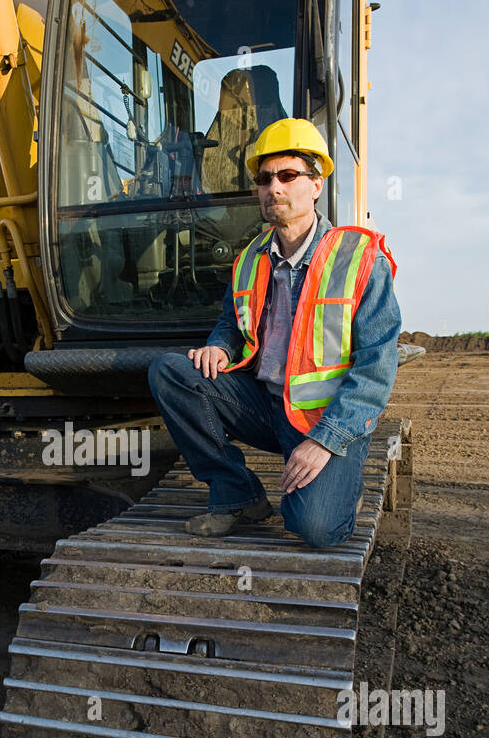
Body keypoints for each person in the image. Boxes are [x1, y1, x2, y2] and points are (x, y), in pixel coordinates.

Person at [147, 118, 402, 548]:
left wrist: (326, 441)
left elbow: (377, 365)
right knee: (171, 372)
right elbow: (232, 321)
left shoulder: (358, 258)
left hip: (324, 418)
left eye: (288, 176)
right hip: (265, 405)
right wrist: (218, 347)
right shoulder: (250, 257)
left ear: (315, 185)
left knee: (317, 530)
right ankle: (237, 495)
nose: (274, 188)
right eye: (265, 179)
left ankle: (335, 485)